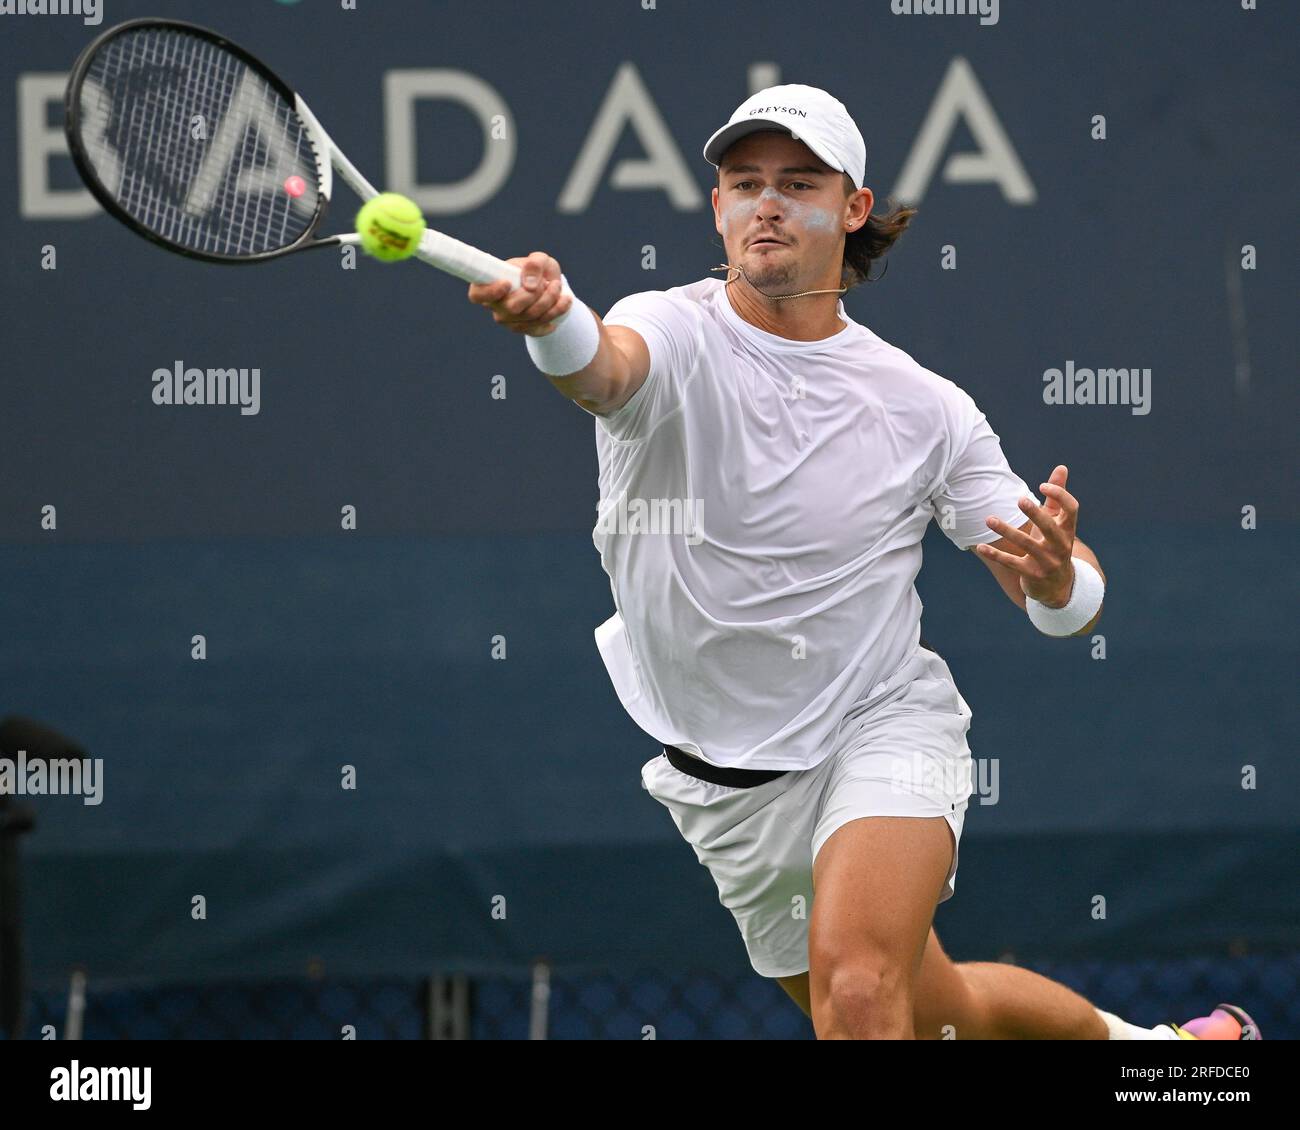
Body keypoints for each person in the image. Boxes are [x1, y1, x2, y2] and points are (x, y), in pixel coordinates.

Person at [467, 83, 1257, 1041]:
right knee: (944, 1014)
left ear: (852, 210)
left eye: (797, 182)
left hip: (878, 725)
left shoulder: (921, 405)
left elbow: (1070, 598)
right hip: (725, 785)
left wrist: (1056, 582)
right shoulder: (668, 329)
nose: (766, 202)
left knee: (857, 994)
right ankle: (1163, 1057)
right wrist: (553, 322)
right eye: (743, 182)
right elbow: (604, 368)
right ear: (716, 207)